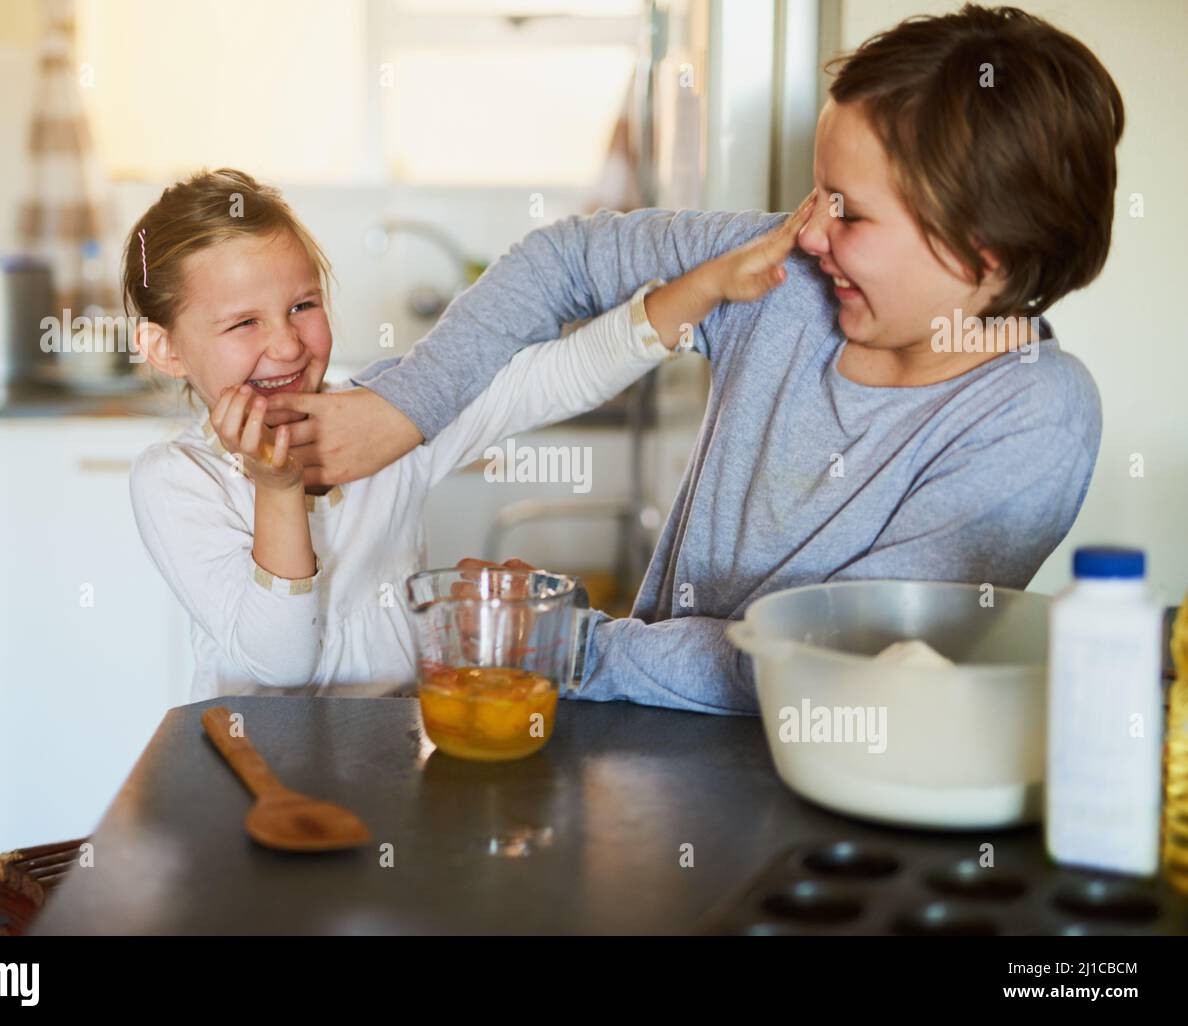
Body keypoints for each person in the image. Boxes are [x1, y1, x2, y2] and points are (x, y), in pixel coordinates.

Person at [262, 5, 1121, 714]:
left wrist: (562, 640)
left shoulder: (1033, 418)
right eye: (816, 194)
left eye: (850, 214)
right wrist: (404, 406)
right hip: (653, 756)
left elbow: (822, 665)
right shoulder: (785, 271)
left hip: (818, 806)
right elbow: (560, 262)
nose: (810, 229)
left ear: (984, 256)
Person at [124, 168, 807, 700]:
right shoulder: (178, 480)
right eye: (244, 324)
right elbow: (281, 665)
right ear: (165, 350)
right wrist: (277, 490)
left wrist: (707, 287)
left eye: (303, 305)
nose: (286, 344)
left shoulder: (381, 425)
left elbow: (556, 376)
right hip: (250, 787)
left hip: (389, 761)